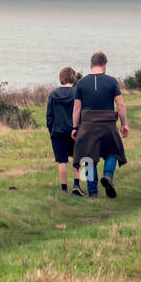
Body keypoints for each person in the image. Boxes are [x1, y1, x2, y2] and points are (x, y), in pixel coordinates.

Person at [71, 51, 129, 198]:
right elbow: (120, 105)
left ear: (91, 64)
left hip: (88, 124)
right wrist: (124, 124)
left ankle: (93, 193)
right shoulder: (112, 82)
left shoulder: (81, 83)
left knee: (87, 158)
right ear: (105, 65)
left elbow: (77, 109)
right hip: (108, 123)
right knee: (113, 151)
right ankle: (108, 175)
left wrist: (74, 127)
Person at [45, 66, 83, 196]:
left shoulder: (53, 94)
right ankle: (77, 184)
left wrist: (51, 129)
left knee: (62, 161)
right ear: (73, 78)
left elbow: (49, 116)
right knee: (77, 159)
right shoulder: (77, 92)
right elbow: (81, 113)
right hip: (75, 131)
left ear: (61, 78)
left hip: (58, 132)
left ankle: (64, 188)